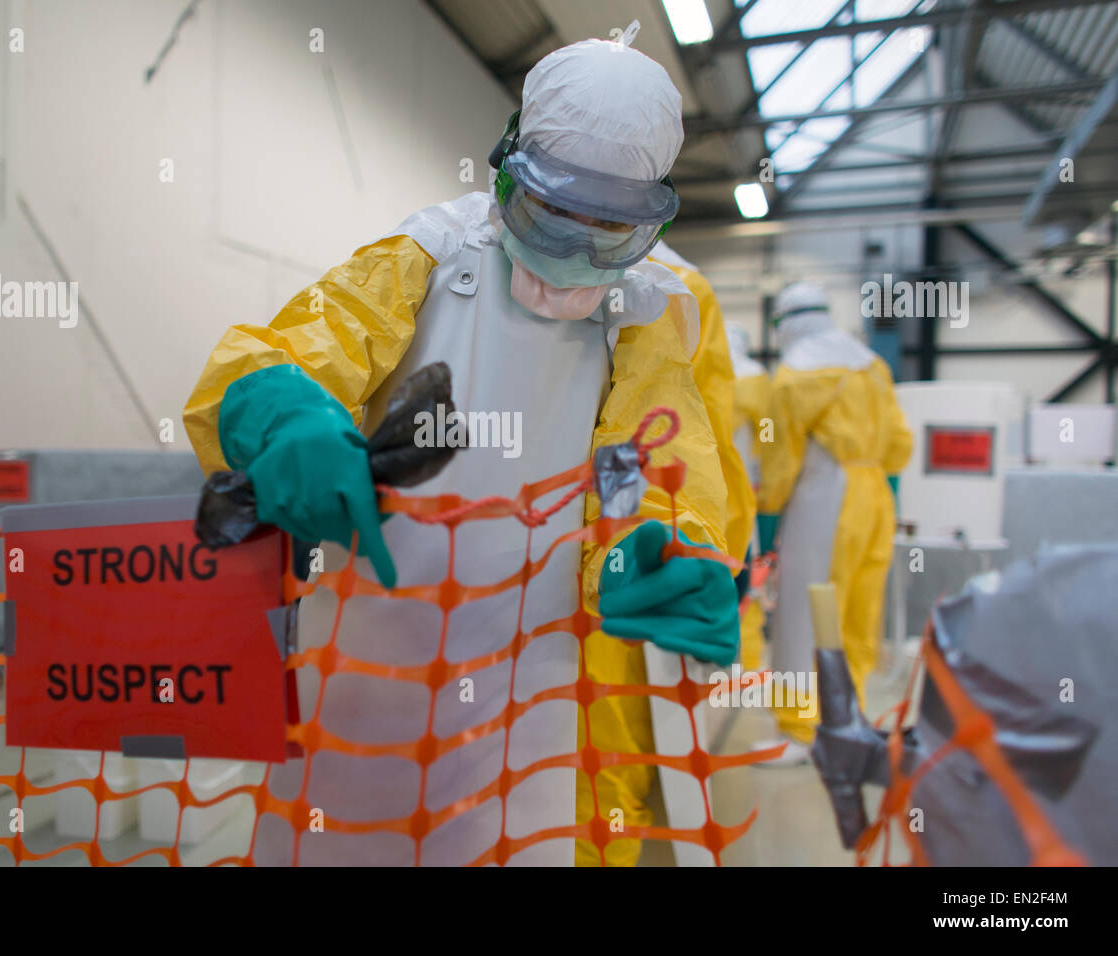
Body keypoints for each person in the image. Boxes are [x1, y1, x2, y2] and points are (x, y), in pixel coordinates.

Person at [183, 26, 739, 866]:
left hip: (547, 678)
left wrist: (655, 543)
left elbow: (652, 454)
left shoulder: (653, 313)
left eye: (609, 231)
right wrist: (283, 413)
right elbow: (281, 355)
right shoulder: (428, 256)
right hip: (374, 660)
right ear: (507, 172)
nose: (570, 259)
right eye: (552, 212)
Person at [755, 282, 913, 765]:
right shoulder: (873, 365)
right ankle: (848, 719)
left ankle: (800, 730)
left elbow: (780, 456)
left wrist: (768, 505)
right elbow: (900, 444)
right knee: (858, 612)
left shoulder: (794, 374)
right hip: (874, 494)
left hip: (823, 496)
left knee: (807, 612)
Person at [724, 321, 770, 675]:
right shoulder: (755, 379)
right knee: (745, 571)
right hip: (741, 490)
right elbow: (768, 439)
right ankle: (745, 666)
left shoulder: (698, 369)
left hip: (699, 487)